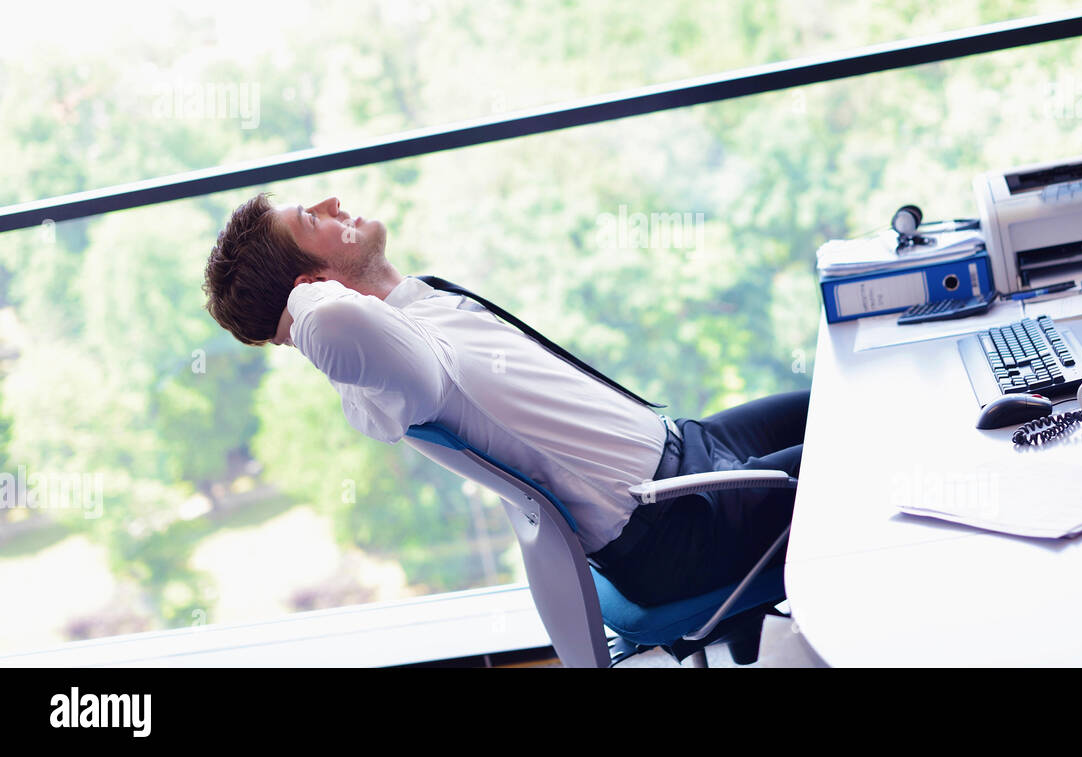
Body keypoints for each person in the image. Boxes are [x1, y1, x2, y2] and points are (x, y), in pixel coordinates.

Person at [202, 192, 807, 606]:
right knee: (875, 450)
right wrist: (295, 305)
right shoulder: (413, 368)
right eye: (312, 220)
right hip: (681, 523)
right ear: (313, 286)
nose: (333, 203)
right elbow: (331, 322)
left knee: (835, 400)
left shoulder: (419, 308)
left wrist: (302, 286)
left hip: (691, 450)